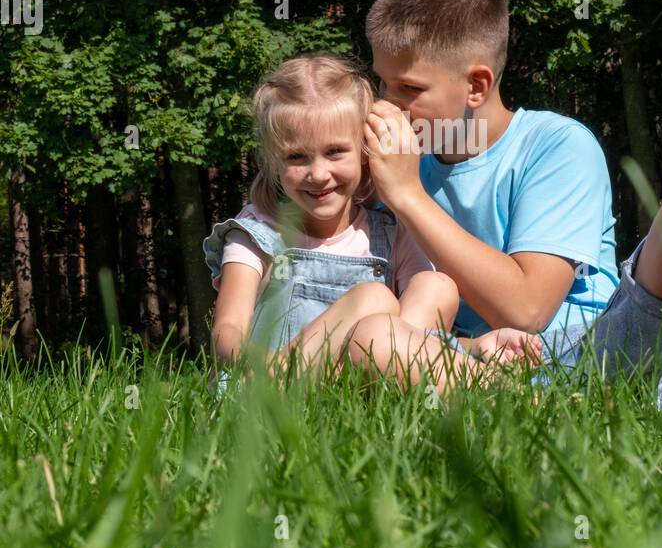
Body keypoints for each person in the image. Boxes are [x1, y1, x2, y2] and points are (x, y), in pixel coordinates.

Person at [352, 0, 662, 406]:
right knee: (373, 338)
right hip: (483, 362)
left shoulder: (555, 144)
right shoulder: (399, 167)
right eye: (382, 83)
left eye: (408, 88)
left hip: (594, 345)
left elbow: (528, 309)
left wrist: (408, 196)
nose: (387, 105)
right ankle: (546, 409)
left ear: (476, 85)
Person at [203, 53, 539, 389]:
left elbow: (407, 336)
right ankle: (492, 389)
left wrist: (472, 346)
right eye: (296, 157)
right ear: (273, 161)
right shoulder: (259, 233)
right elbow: (227, 332)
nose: (318, 174)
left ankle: (463, 383)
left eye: (334, 152)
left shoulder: (390, 232)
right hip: (264, 387)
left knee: (436, 286)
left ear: (365, 151)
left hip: (363, 377)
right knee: (374, 299)